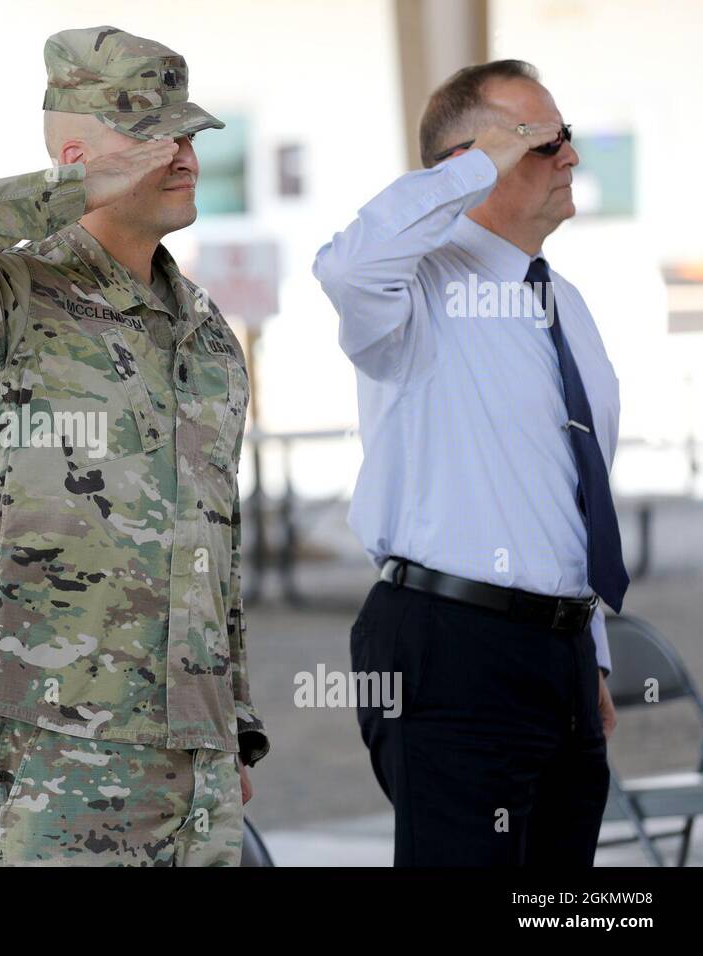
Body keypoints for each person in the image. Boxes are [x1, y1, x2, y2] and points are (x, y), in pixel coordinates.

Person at [0, 25, 268, 866]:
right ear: (76, 154)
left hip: (199, 749)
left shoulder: (207, 334)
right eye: (154, 135)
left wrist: (237, 721)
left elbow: (214, 543)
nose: (182, 153)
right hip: (63, 744)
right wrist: (63, 192)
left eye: (187, 133)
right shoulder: (10, 298)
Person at [313, 60, 621, 866]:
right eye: (544, 142)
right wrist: (479, 162)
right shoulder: (412, 286)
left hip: (558, 655)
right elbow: (345, 265)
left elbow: (569, 492)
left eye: (567, 138)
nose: (569, 158)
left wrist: (590, 653)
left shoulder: (565, 301)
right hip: (450, 644)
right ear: (466, 161)